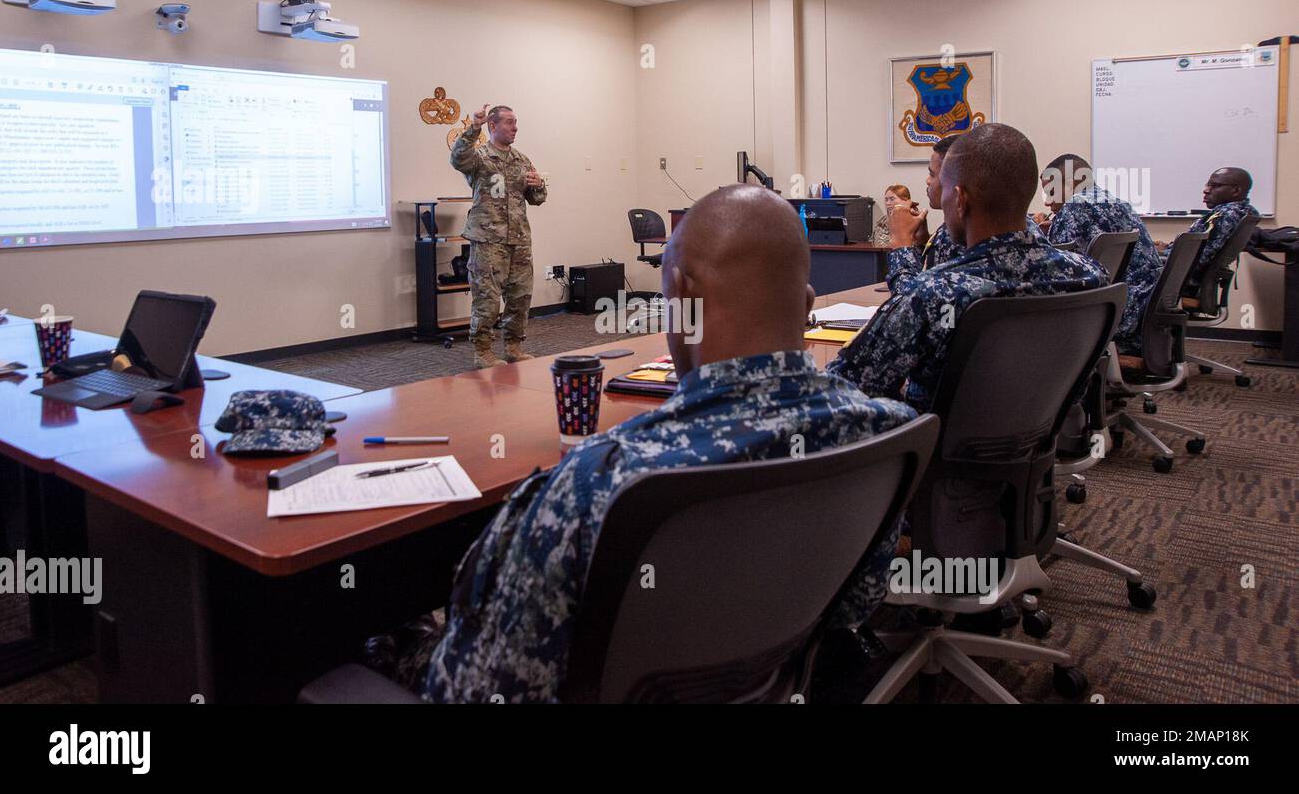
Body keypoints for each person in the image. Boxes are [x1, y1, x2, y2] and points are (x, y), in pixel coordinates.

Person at [375, 185, 917, 703]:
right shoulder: (888, 429)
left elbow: (479, 688)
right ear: (806, 304)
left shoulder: (595, 482)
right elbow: (857, 605)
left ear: (682, 297)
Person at [829, 125, 1107, 413]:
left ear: (960, 200)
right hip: (1037, 445)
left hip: (934, 450)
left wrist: (902, 248)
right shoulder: (1091, 277)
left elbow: (845, 389)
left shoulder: (936, 294)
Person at [451, 104, 547, 368]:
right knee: (487, 299)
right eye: (509, 122)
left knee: (520, 297)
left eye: (516, 122)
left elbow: (537, 199)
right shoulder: (479, 157)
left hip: (518, 240)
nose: (515, 127)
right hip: (488, 240)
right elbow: (457, 159)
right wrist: (473, 128)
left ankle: (514, 347)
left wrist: (538, 186)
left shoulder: (521, 160)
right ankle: (483, 352)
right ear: (492, 126)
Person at [887, 133, 1047, 292]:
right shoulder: (1060, 260)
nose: (928, 181)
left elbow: (913, 302)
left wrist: (902, 244)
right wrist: (923, 242)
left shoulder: (959, 232)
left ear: (959, 194)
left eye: (933, 174)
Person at [1040, 153, 1161, 356]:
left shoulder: (1074, 207)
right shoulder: (1114, 201)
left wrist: (1036, 235)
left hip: (1118, 319)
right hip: (1142, 310)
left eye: (1052, 191)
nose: (1048, 202)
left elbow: (1054, 270)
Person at [1156, 167, 1257, 296]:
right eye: (1208, 185)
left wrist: (1160, 253)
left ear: (1236, 190)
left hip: (1180, 284)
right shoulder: (1243, 211)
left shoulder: (1224, 216)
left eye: (1215, 186)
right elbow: (1203, 250)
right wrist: (1169, 247)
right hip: (1187, 281)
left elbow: (1196, 260)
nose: (1206, 190)